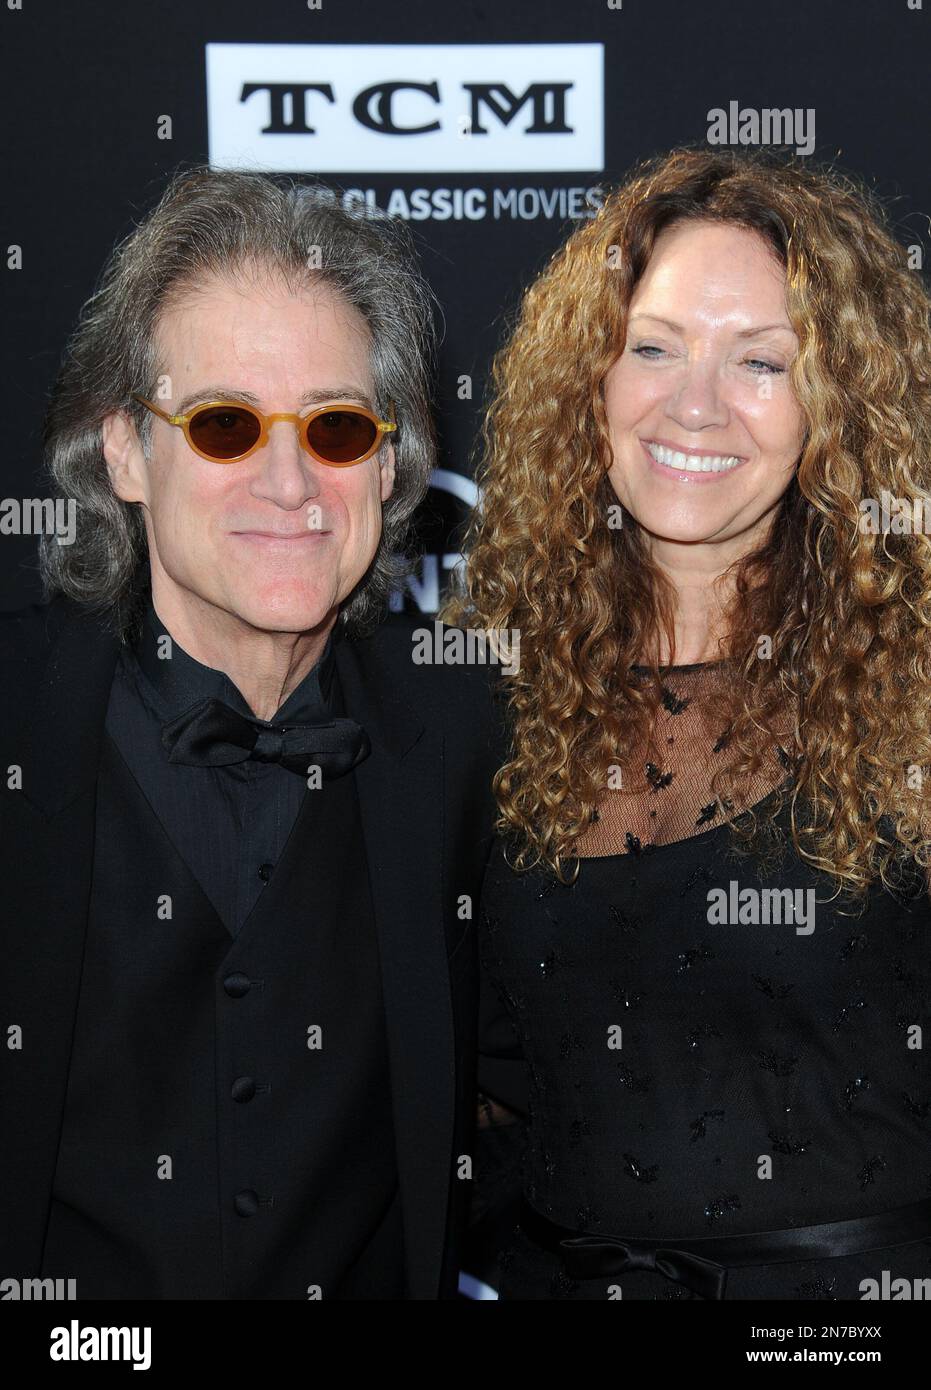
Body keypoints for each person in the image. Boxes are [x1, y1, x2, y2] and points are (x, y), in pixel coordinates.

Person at [0, 166, 501, 1300]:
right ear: (125, 450)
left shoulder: (470, 743)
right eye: (225, 425)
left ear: (386, 464)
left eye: (334, 427)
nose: (289, 483)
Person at [447, 146, 931, 1299]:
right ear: (590, 375)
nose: (693, 404)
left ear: (836, 404)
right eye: (653, 346)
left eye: (761, 361)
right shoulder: (492, 694)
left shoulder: (913, 689)